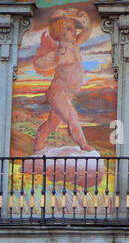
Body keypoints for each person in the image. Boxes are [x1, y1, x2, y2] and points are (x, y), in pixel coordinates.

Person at [32, 8, 93, 153]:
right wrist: (55, 59)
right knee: (72, 117)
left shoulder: (76, 45)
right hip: (58, 93)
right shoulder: (59, 52)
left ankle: (38, 145)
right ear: (59, 32)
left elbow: (87, 30)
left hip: (67, 94)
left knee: (53, 124)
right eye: (69, 29)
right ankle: (83, 145)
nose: (74, 32)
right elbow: (39, 63)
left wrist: (81, 16)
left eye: (74, 29)